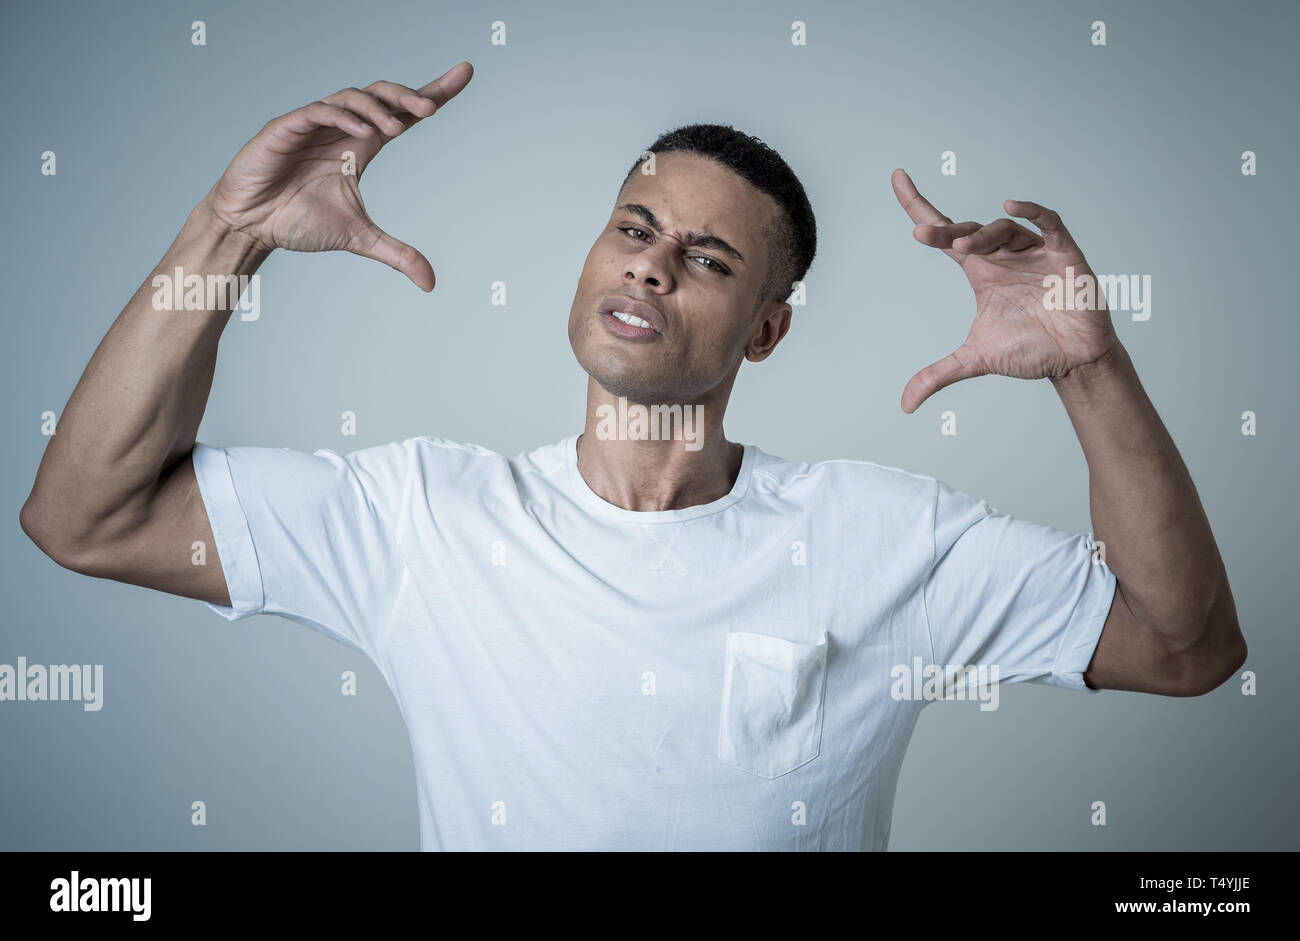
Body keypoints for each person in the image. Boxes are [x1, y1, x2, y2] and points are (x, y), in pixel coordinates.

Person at [19, 60, 1246, 851]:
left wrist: (1090, 366)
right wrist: (226, 234)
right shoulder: (420, 516)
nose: (653, 264)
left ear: (767, 329)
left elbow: (1186, 647)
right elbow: (86, 515)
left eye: (709, 260)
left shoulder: (884, 535)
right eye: (634, 229)